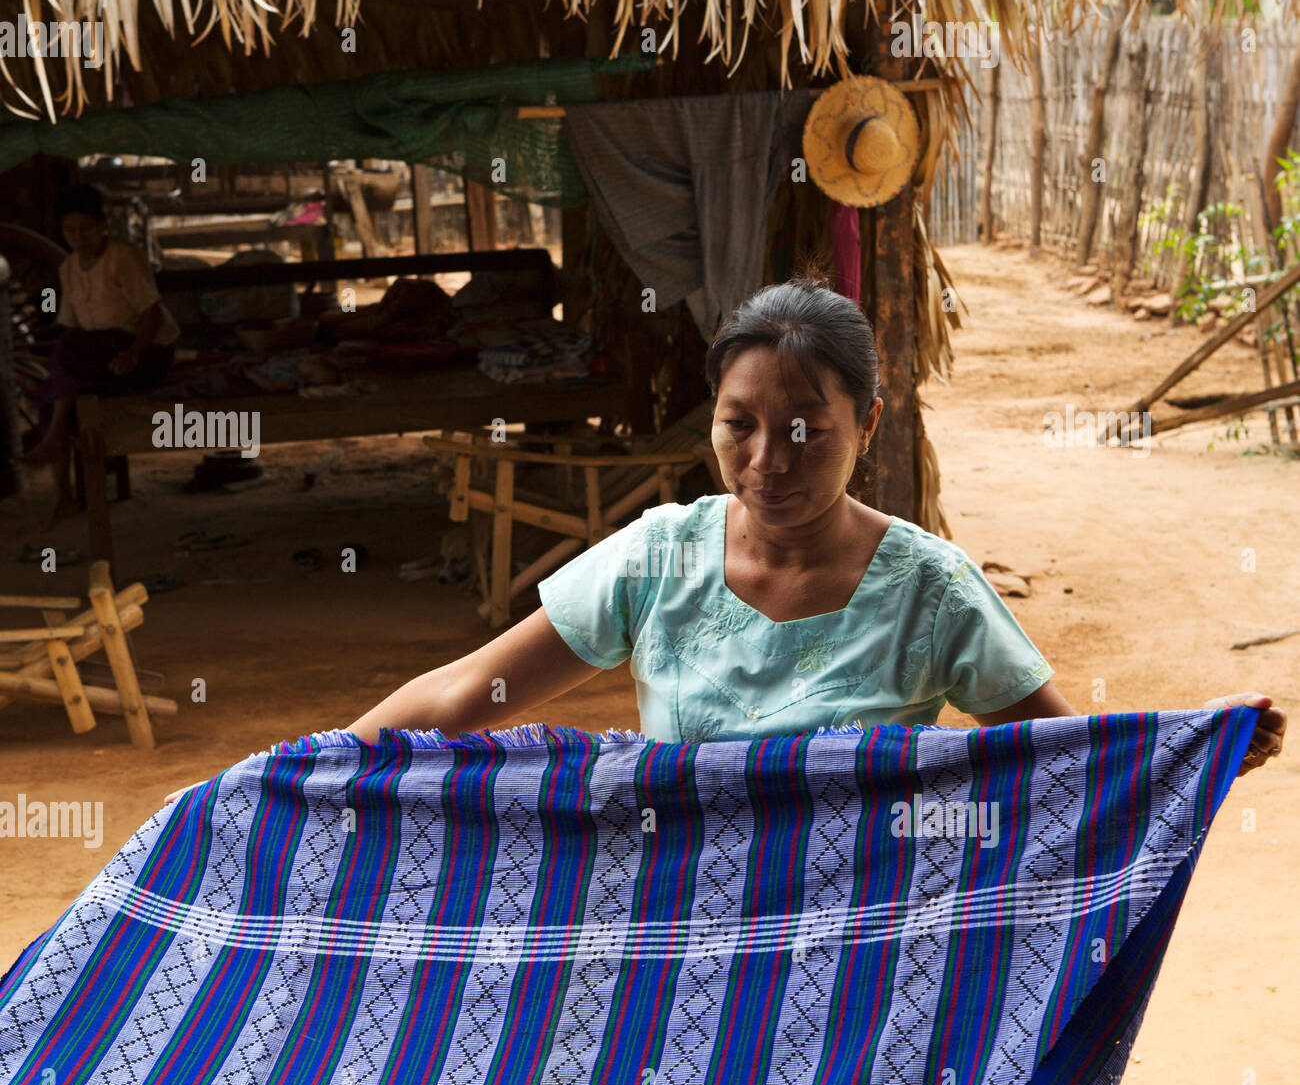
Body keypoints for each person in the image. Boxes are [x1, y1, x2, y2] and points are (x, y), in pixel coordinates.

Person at [165, 274, 1285, 805]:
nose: (767, 462)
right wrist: (306, 774)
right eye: (738, 427)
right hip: (673, 940)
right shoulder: (661, 559)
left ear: (868, 427)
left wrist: (1188, 754)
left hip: (862, 963)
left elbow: (1063, 767)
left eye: (806, 431)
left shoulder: (930, 593)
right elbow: (470, 697)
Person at [21, 183, 180, 519]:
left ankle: (50, 441)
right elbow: (70, 324)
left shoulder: (123, 256)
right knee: (61, 390)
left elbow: (152, 313)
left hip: (145, 352)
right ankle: (64, 496)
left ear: (102, 225)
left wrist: (133, 354)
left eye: (85, 229)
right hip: (97, 358)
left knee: (65, 365)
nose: (78, 237)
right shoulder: (68, 268)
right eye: (69, 230)